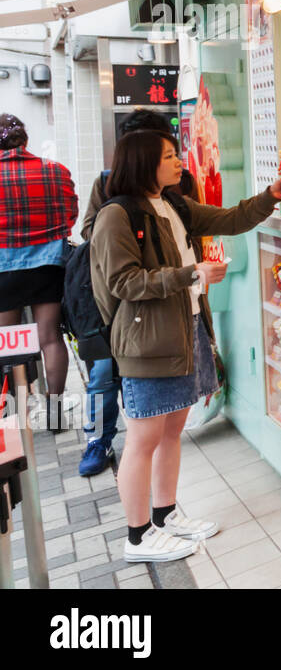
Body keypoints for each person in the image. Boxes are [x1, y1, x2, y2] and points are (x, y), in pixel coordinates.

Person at [89, 130, 281, 562]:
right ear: (144, 163)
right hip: (146, 342)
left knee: (173, 429)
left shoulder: (174, 204)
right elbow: (123, 282)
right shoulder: (116, 216)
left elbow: (229, 219)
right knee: (144, 436)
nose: (179, 161)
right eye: (169, 156)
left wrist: (270, 195)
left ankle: (164, 516)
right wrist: (190, 274)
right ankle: (137, 536)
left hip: (186, 329)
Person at [77, 108, 178, 477]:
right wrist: (126, 239)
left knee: (160, 398)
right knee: (104, 373)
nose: (171, 158)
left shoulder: (180, 181)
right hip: (119, 306)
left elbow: (193, 236)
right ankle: (98, 440)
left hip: (168, 304)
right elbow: (89, 231)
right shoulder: (107, 184)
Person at [0, 113, 77, 431]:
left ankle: (11, 415)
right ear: (26, 140)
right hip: (48, 264)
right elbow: (70, 214)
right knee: (50, 337)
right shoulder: (55, 171)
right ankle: (56, 415)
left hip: (3, 269)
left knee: (6, 343)